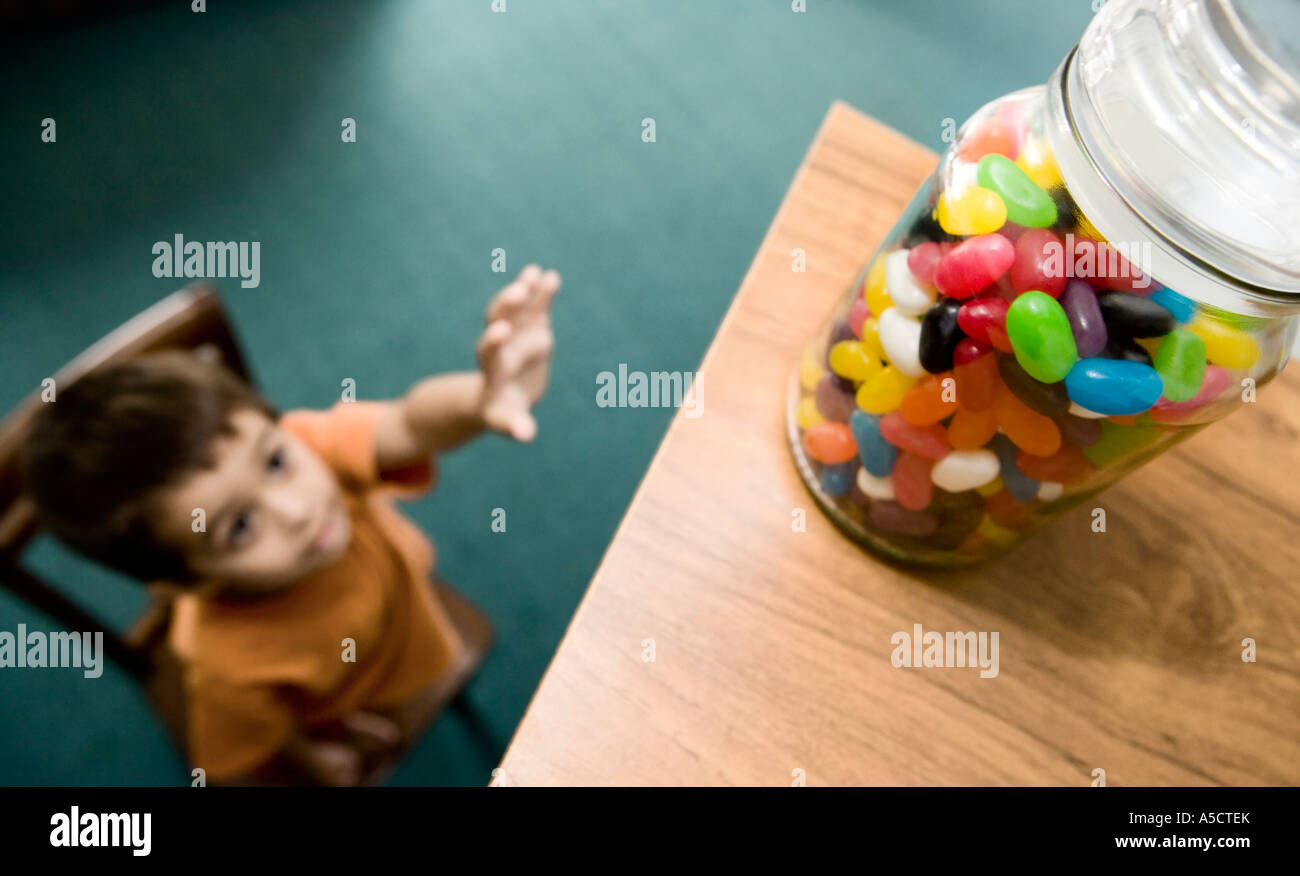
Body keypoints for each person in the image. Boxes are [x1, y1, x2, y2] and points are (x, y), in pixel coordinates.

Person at [21, 265, 559, 784]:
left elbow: (411, 423)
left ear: (275, 423)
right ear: (189, 582)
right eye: (239, 528)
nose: (298, 510)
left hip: (409, 618)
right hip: (340, 697)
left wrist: (480, 399)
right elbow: (263, 733)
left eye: (274, 462)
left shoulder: (310, 440)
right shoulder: (226, 666)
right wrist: (313, 756)